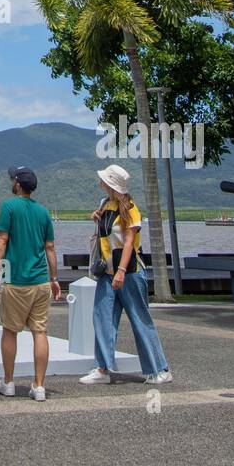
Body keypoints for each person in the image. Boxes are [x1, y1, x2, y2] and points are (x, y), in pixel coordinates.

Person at [79, 163, 173, 386]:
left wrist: (121, 270)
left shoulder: (130, 208)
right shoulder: (104, 204)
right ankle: (102, 368)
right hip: (107, 272)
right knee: (102, 319)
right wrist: (97, 218)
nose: (100, 181)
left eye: (103, 179)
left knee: (140, 319)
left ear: (111, 184)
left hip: (129, 272)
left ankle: (160, 368)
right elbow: (107, 236)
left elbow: (130, 242)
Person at [0, 166, 61, 402]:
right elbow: (50, 248)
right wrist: (54, 279)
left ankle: (8, 382)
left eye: (12, 179)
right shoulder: (43, 212)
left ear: (17, 184)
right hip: (40, 281)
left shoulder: (9, 207)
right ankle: (39, 386)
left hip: (15, 280)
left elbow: (2, 239)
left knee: (10, 330)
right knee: (40, 331)